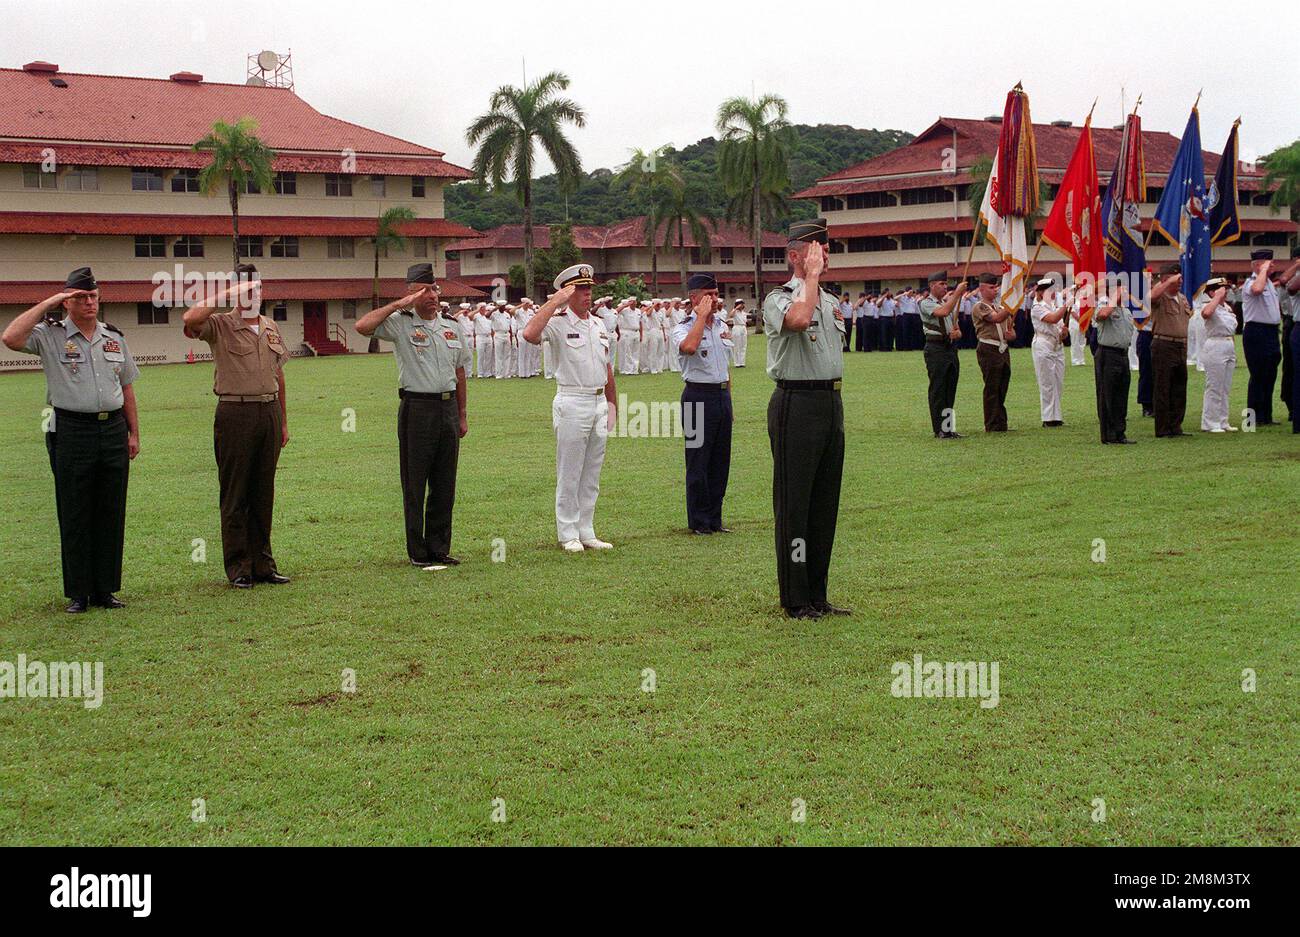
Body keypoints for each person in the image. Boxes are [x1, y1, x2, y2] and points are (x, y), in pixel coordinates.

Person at [1, 266, 141, 613]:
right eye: (80, 297)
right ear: (68, 301)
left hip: (112, 430)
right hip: (72, 430)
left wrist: (134, 432)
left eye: (93, 296)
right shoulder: (49, 335)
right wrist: (49, 302)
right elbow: (10, 338)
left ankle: (105, 589)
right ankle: (79, 592)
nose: (89, 302)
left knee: (110, 510)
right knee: (75, 511)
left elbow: (126, 387)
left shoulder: (114, 337)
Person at [762, 219, 850, 620]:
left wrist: (816, 283)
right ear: (796, 256)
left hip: (830, 403)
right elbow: (798, 322)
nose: (824, 256)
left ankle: (818, 594)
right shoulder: (779, 298)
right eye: (817, 250)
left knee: (823, 504)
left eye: (827, 250)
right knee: (794, 504)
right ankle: (795, 598)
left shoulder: (829, 301)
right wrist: (810, 277)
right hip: (795, 403)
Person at [182, 264, 291, 587]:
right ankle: (239, 567)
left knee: (263, 492)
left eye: (256, 289)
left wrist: (283, 420)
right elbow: (190, 320)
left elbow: (279, 373)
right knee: (235, 493)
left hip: (268, 411)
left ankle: (263, 564)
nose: (252, 295)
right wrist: (226, 295)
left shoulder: (270, 326)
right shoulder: (220, 325)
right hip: (235, 413)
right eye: (246, 290)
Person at [355, 263, 469, 567]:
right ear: (410, 294)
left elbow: (460, 372)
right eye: (423, 290)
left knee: (445, 483)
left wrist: (462, 414)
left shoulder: (452, 325)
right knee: (415, 482)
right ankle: (418, 552)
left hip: (447, 407)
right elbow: (362, 327)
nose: (432, 295)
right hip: (417, 409)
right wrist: (398, 305)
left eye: (434, 289)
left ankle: (439, 547)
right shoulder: (400, 322)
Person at [522, 263, 617, 553]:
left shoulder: (599, 324)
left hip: (599, 400)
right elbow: (529, 334)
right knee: (570, 471)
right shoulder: (558, 322)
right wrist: (554, 302)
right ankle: (567, 532)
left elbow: (607, 366)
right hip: (572, 400)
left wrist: (613, 405)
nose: (587, 294)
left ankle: (586, 529)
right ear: (567, 292)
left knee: (592, 472)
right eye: (580, 289)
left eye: (589, 289)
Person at [672, 273, 734, 535]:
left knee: (720, 462)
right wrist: (700, 317)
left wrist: (730, 401)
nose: (715, 299)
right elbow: (689, 347)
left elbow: (725, 368)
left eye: (717, 294)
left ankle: (715, 518)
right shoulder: (683, 327)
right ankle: (699, 521)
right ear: (694, 297)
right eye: (709, 294)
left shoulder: (720, 325)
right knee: (698, 460)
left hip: (721, 397)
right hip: (697, 396)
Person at [919, 270, 966, 438]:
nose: (945, 287)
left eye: (946, 284)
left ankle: (948, 428)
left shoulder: (948, 303)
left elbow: (957, 329)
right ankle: (939, 429)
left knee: (950, 389)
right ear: (932, 286)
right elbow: (943, 312)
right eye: (941, 284)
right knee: (938, 389)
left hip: (950, 348)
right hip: (935, 348)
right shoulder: (926, 303)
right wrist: (958, 294)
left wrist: (957, 334)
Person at [1148, 264, 1193, 438]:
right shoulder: (1160, 297)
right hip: (1163, 345)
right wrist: (1166, 283)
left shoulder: (1181, 298)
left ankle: (1176, 426)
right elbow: (1152, 296)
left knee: (1179, 388)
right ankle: (1163, 428)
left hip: (1180, 345)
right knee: (1163, 388)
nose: (1180, 282)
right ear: (1166, 279)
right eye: (1177, 279)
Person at [1241, 249, 1283, 426]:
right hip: (1256, 332)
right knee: (1257, 376)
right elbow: (1257, 290)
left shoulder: (1269, 283)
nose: (1273, 265)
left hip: (1271, 332)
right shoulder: (1251, 282)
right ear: (1258, 265)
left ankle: (1265, 416)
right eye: (1268, 262)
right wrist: (1263, 271)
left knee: (1269, 375)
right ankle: (1251, 419)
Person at [1093, 278, 1136, 445]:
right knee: (1107, 396)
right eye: (1121, 289)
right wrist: (1113, 297)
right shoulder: (1104, 306)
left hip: (1123, 355)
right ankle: (1108, 435)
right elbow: (1101, 316)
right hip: (1108, 354)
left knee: (1121, 396)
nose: (1124, 292)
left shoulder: (1125, 310)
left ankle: (1120, 433)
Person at [970, 272, 1015, 432]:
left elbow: (1011, 329)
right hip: (988, 349)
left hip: (1002, 349)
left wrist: (1011, 335)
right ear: (982, 289)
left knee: (1002, 386)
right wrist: (1011, 306)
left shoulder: (1000, 307)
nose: (995, 290)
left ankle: (1001, 422)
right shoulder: (979, 306)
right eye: (991, 287)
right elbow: (996, 318)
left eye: (996, 287)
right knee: (992, 386)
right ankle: (991, 423)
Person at [1198, 279, 1238, 433]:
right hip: (1215, 344)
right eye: (1222, 289)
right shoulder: (1209, 305)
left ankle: (1222, 420)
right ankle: (1210, 422)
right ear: (1212, 291)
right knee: (1214, 386)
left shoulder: (1225, 307)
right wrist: (1215, 298)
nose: (1225, 291)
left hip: (1228, 344)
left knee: (1225, 387)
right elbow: (1206, 314)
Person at [1029, 277, 1068, 427]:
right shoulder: (1037, 307)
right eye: (1049, 291)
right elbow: (1053, 319)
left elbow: (1060, 327)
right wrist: (1066, 306)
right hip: (1043, 345)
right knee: (1047, 382)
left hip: (1056, 345)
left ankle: (1056, 416)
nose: (1052, 294)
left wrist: (1064, 332)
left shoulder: (1053, 306)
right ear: (1039, 293)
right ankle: (1047, 418)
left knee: (1058, 382)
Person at [617, 297, 641, 375]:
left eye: (635, 302)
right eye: (632, 302)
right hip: (628, 332)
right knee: (628, 351)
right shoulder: (625, 310)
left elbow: (640, 322)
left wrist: (641, 334)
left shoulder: (638, 311)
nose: (634, 303)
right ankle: (628, 370)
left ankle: (635, 369)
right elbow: (616, 311)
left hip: (636, 332)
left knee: (636, 352)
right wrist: (625, 305)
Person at [473, 303, 494, 378]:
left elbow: (491, 328)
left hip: (488, 337)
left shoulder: (487, 317)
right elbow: (469, 316)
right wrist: (477, 310)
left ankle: (487, 372)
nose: (484, 309)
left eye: (484, 308)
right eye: (482, 308)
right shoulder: (476, 316)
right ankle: (480, 373)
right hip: (480, 337)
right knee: (480, 355)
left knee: (488, 356)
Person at [731, 300, 749, 367]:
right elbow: (730, 315)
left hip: (743, 328)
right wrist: (735, 308)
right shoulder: (735, 311)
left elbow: (745, 322)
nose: (743, 306)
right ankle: (737, 363)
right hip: (737, 327)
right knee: (737, 345)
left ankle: (742, 362)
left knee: (743, 345)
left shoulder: (744, 313)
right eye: (741, 304)